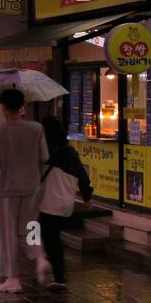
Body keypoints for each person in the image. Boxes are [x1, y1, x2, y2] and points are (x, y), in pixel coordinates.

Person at [0, 88, 50, 292]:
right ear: (22, 106)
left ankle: (13, 277)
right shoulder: (37, 128)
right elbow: (44, 157)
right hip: (32, 187)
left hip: (9, 190)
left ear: (4, 108)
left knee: (9, 234)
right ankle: (40, 258)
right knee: (31, 227)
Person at [38, 118, 93, 290]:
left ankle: (58, 275)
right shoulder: (70, 152)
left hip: (47, 202)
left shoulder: (43, 152)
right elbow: (83, 178)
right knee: (54, 237)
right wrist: (86, 197)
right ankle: (57, 271)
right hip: (66, 204)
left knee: (51, 239)